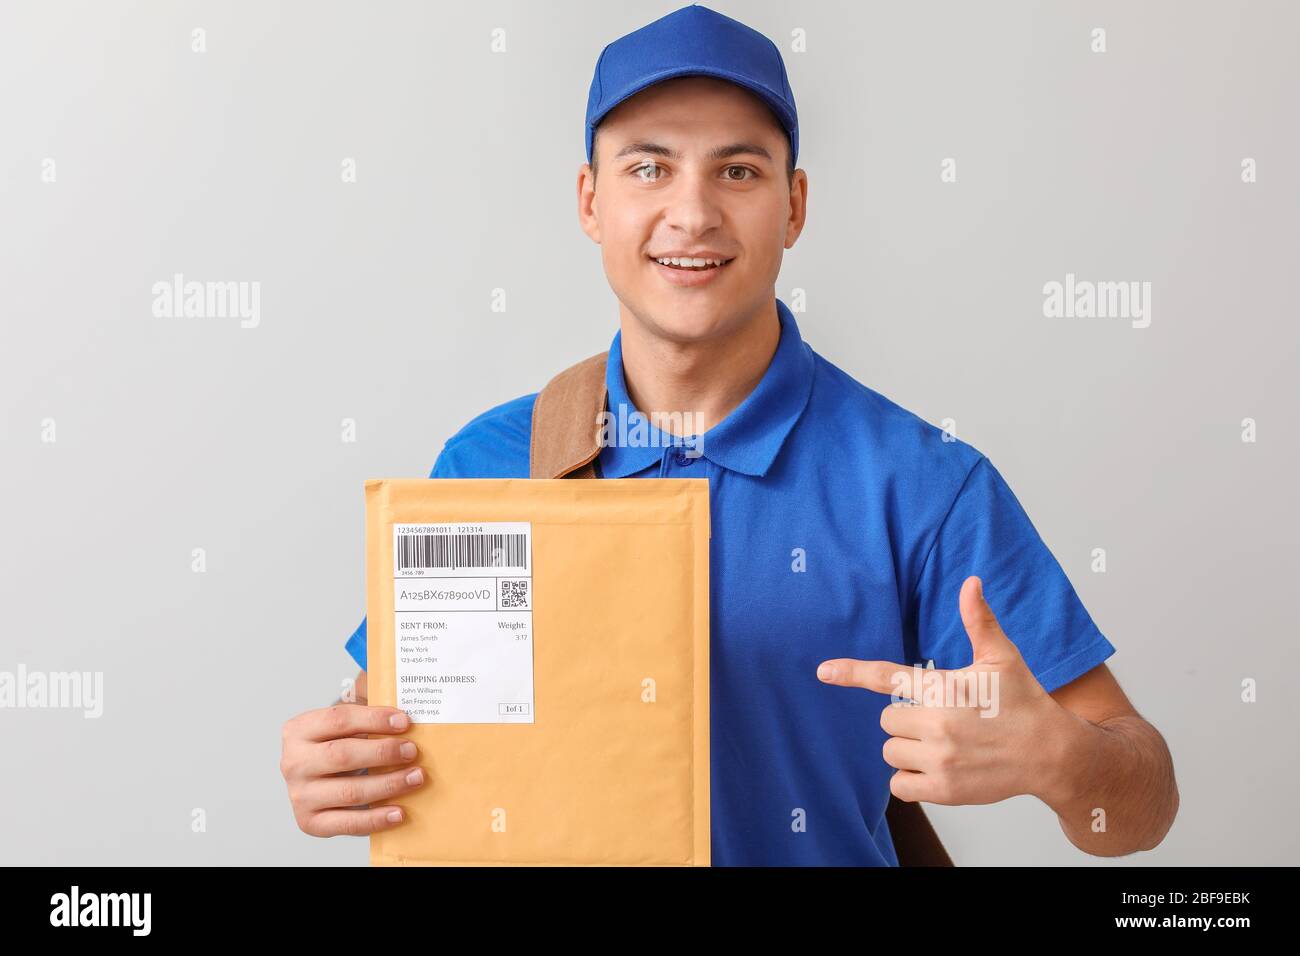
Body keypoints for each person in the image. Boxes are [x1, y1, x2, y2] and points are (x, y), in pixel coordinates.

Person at [280, 4, 1177, 864]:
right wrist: (342, 762)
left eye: (738, 171)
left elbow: (1141, 811)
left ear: (793, 206)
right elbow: (404, 721)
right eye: (649, 167)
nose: (694, 212)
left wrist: (1062, 761)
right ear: (591, 203)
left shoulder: (923, 486)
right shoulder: (487, 465)